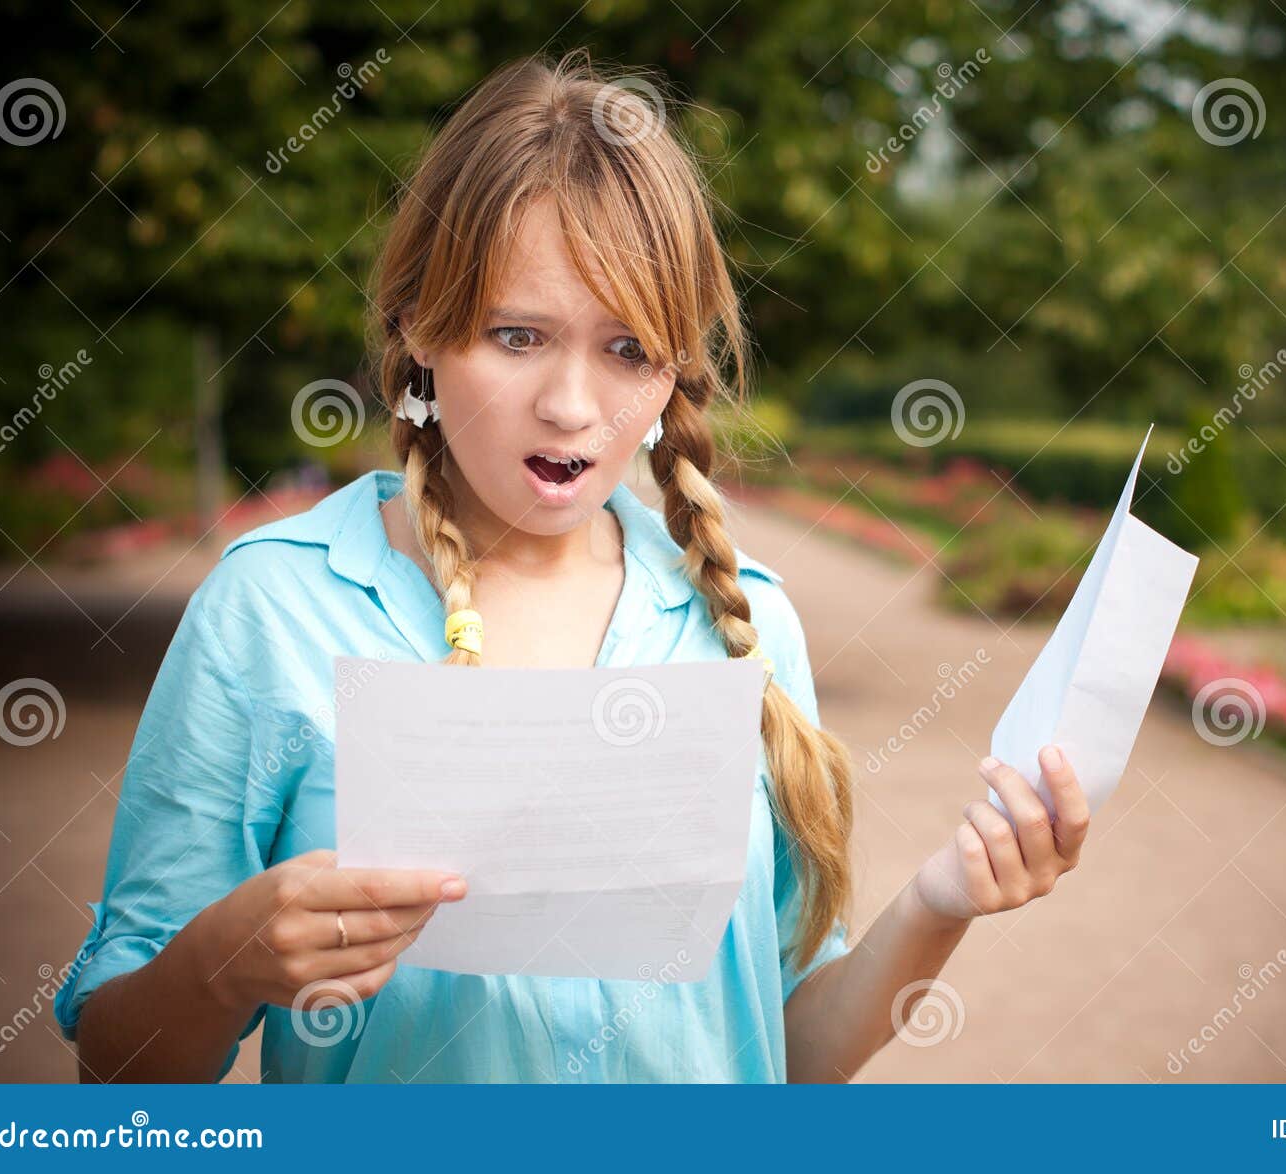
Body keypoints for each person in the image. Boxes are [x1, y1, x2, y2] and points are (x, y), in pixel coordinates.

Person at [53, 49, 1089, 1083]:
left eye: (628, 349)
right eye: (517, 336)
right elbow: (121, 1068)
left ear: (676, 365)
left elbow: (783, 1057)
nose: (571, 406)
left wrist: (941, 902)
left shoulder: (747, 623)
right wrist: (222, 963)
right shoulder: (273, 607)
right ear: (418, 325)